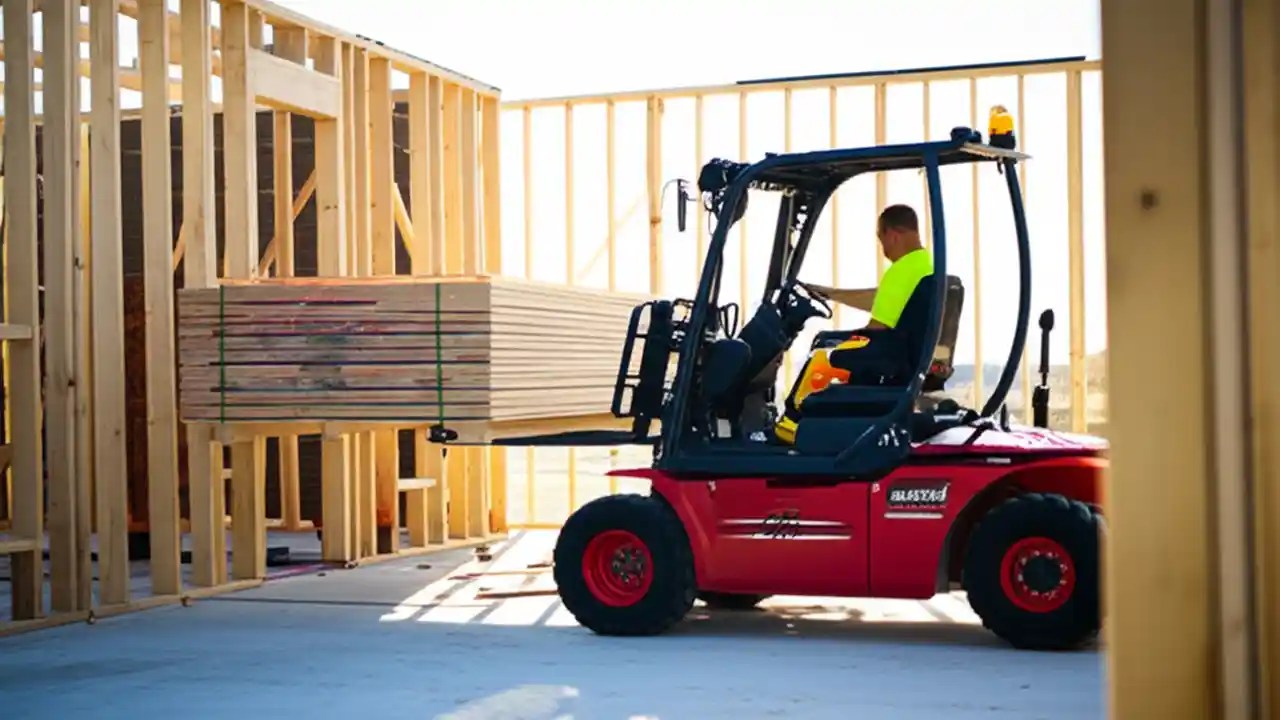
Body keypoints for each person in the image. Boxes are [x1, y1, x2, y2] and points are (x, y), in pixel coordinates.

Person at [773, 204, 933, 444]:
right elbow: (882, 299)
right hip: (910, 359)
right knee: (830, 344)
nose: (884, 250)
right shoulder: (925, 266)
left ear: (893, 234)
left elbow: (876, 330)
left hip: (893, 362)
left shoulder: (900, 271)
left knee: (821, 352)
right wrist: (831, 294)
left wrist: (836, 344)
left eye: (882, 241)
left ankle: (790, 427)